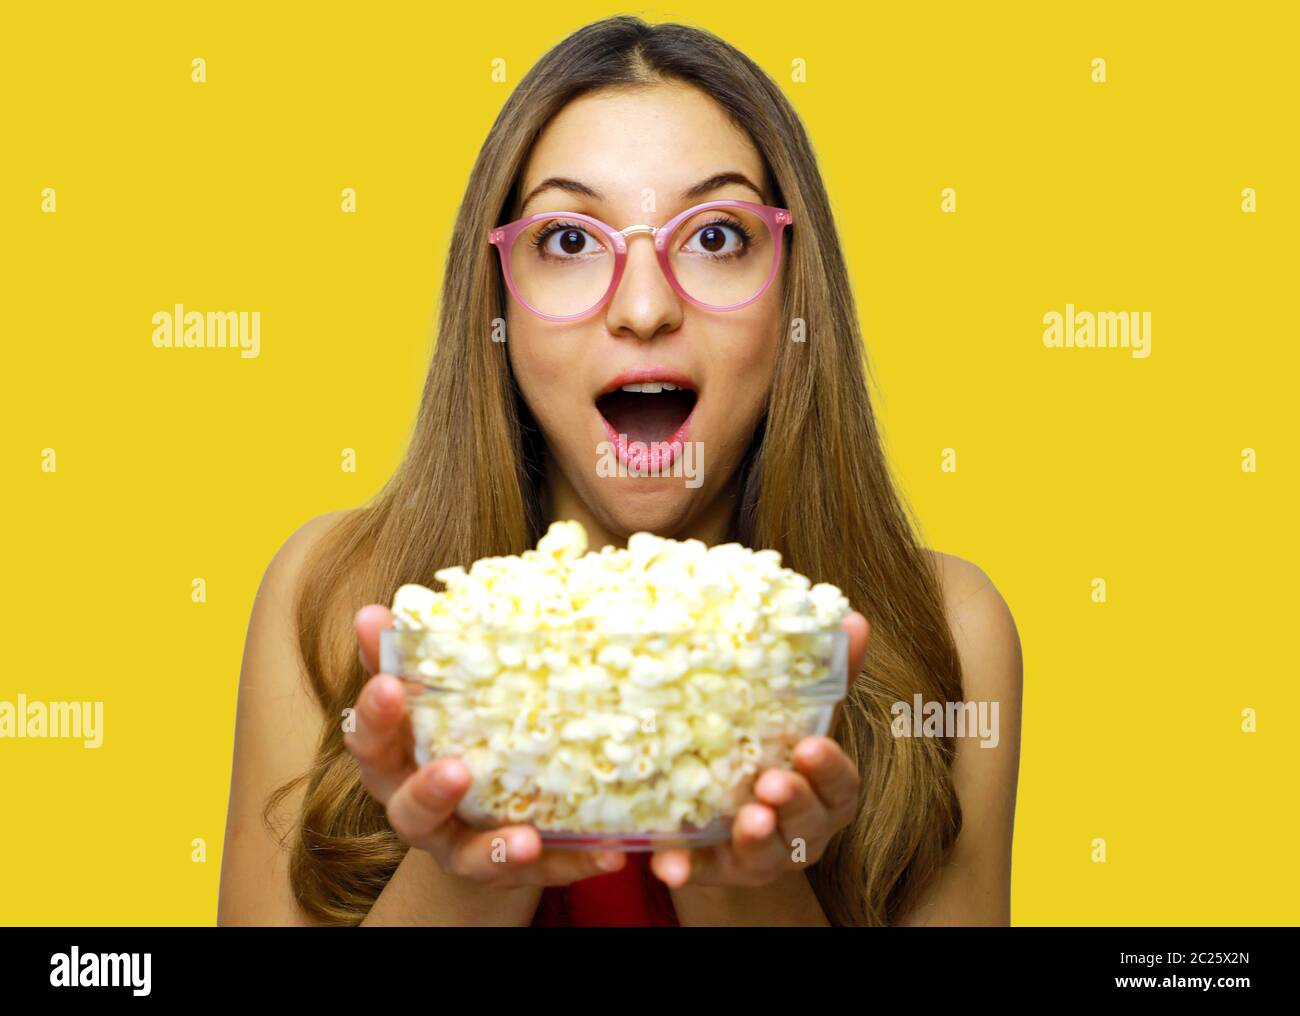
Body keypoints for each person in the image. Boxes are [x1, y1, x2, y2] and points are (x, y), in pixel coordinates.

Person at [217, 14, 1022, 927]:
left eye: (716, 237)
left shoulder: (943, 635)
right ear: (497, 304)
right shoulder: (336, 596)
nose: (644, 307)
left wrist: (746, 875)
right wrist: (472, 863)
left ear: (797, 291)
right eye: (569, 240)